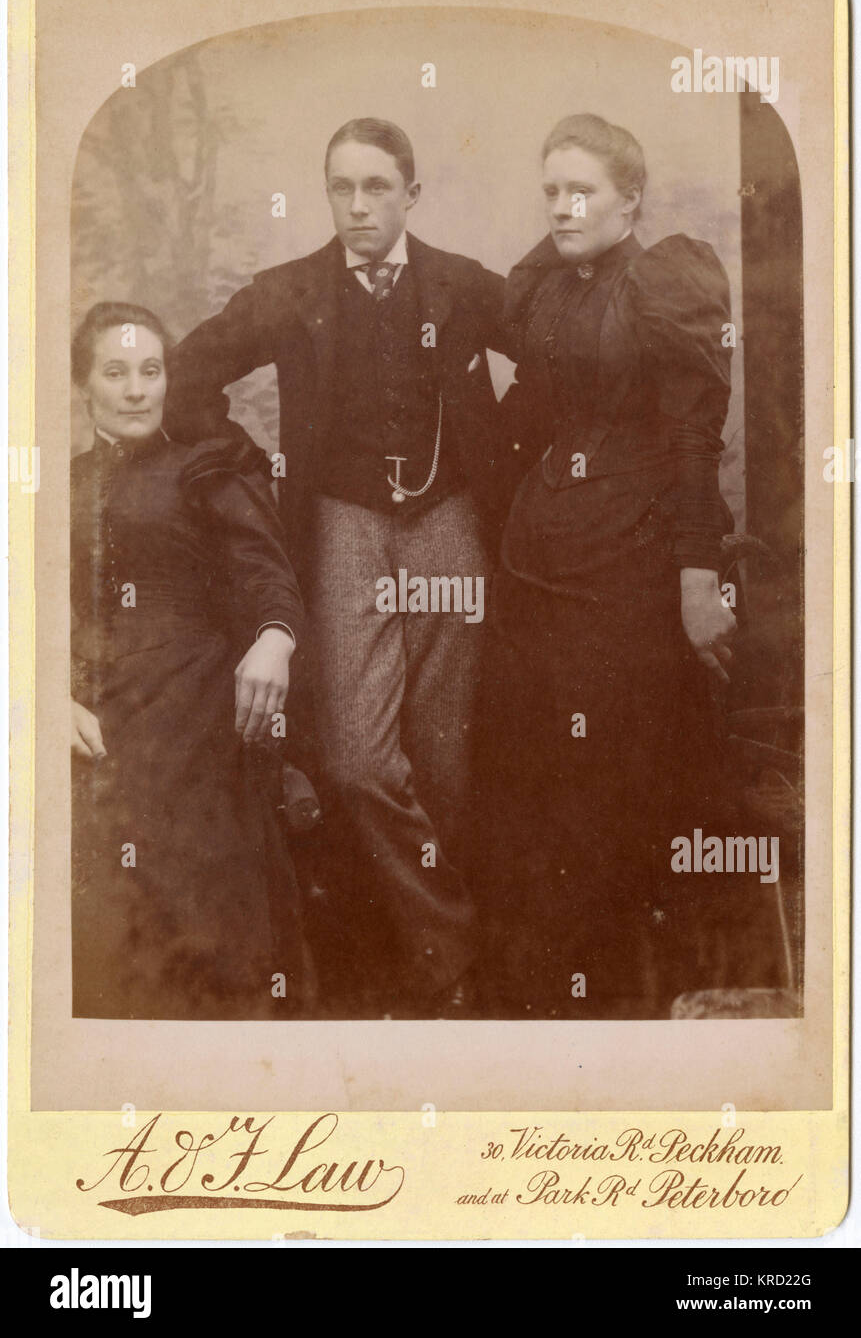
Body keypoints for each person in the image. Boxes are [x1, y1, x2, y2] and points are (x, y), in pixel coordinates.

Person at [163, 119, 510, 1014]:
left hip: (450, 528)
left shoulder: (464, 287)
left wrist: (524, 450)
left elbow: (562, 352)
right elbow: (187, 371)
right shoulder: (290, 292)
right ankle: (453, 944)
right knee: (359, 762)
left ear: (411, 194)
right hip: (345, 528)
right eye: (341, 188)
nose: (357, 207)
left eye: (376, 188)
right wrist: (242, 466)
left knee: (444, 759)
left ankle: (442, 970)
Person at [477, 114, 740, 1018]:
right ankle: (535, 996)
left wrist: (697, 579)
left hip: (629, 566)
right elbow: (531, 413)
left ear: (632, 197)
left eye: (580, 190)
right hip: (535, 567)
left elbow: (693, 438)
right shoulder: (547, 284)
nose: (561, 206)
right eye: (550, 189)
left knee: (607, 789)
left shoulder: (662, 279)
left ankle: (617, 1006)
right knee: (531, 777)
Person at [70, 301, 315, 1019]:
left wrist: (274, 637)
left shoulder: (201, 468)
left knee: (193, 879)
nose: (138, 389)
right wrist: (42, 695)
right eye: (116, 373)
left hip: (194, 695)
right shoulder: (53, 487)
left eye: (151, 370)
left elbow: (264, 571)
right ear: (84, 385)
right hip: (85, 706)